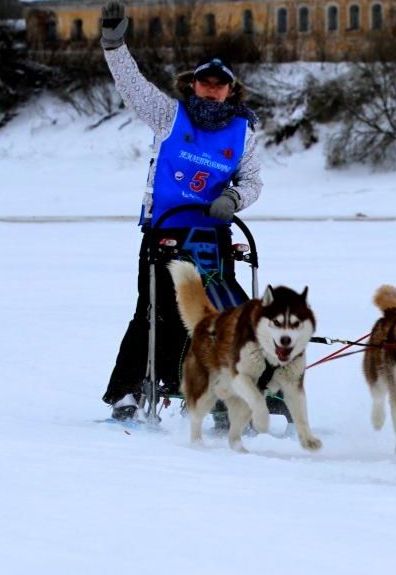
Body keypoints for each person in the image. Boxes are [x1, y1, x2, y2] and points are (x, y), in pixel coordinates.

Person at [98, 1, 263, 420]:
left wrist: (233, 200)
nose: (211, 88)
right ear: (193, 85)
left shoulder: (242, 132)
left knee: (223, 313)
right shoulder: (170, 115)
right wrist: (114, 45)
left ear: (230, 90)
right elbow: (132, 86)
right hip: (165, 232)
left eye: (219, 84)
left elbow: (252, 182)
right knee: (155, 312)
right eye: (204, 82)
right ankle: (128, 390)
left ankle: (227, 391)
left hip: (211, 235)